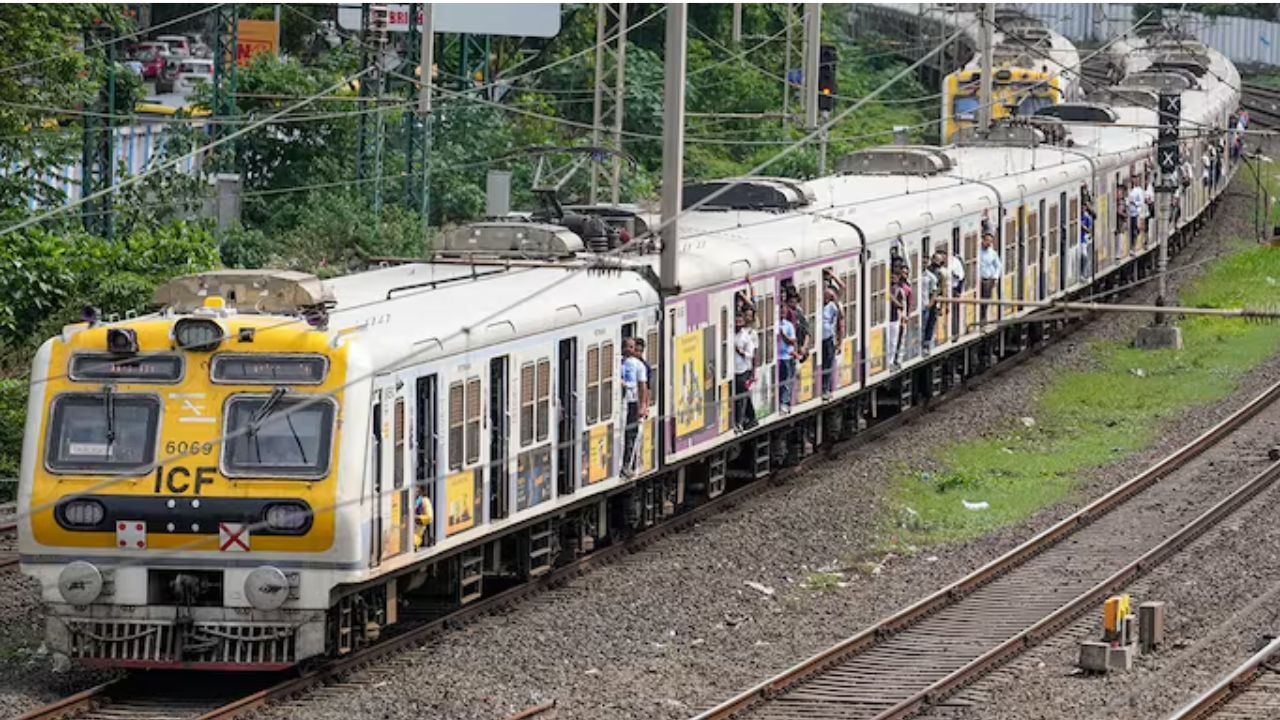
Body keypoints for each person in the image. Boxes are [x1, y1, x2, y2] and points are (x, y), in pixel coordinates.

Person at [620, 337, 649, 477]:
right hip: (620, 404)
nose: (628, 350)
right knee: (621, 435)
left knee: (631, 434)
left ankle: (628, 465)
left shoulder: (639, 365)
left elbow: (643, 386)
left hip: (632, 402)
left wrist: (642, 406)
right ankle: (622, 464)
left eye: (631, 347)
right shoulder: (619, 363)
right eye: (626, 346)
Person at [733, 313, 758, 432]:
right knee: (742, 396)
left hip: (742, 370)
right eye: (736, 322)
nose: (738, 324)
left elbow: (751, 354)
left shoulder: (745, 337)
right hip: (731, 371)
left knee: (741, 397)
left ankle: (740, 421)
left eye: (740, 322)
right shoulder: (730, 334)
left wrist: (740, 352)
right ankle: (751, 418)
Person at [820, 284, 842, 397]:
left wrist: (839, 342)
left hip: (829, 338)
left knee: (828, 363)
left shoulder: (833, 307)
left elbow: (840, 320)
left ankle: (825, 388)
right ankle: (822, 387)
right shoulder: (818, 306)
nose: (826, 299)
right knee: (822, 363)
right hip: (820, 340)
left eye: (828, 297)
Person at [978, 232, 1002, 326]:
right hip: (977, 280)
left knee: (985, 300)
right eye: (987, 241)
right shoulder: (978, 251)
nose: (988, 243)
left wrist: (995, 277)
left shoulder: (992, 253)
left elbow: (998, 265)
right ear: (983, 240)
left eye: (990, 241)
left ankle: (983, 318)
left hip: (987, 280)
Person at [921, 254, 943, 356]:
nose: (923, 264)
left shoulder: (931, 276)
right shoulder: (916, 274)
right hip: (917, 306)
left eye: (925, 262)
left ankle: (924, 345)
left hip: (925, 305)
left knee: (926, 325)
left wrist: (930, 304)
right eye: (922, 262)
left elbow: (936, 291)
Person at [778, 306, 798, 413]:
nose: (782, 314)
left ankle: (784, 402)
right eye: (780, 312)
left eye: (783, 313)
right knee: (779, 381)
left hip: (786, 356)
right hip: (777, 358)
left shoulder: (788, 325)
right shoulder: (774, 325)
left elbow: (792, 341)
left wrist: (783, 334)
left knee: (786, 381)